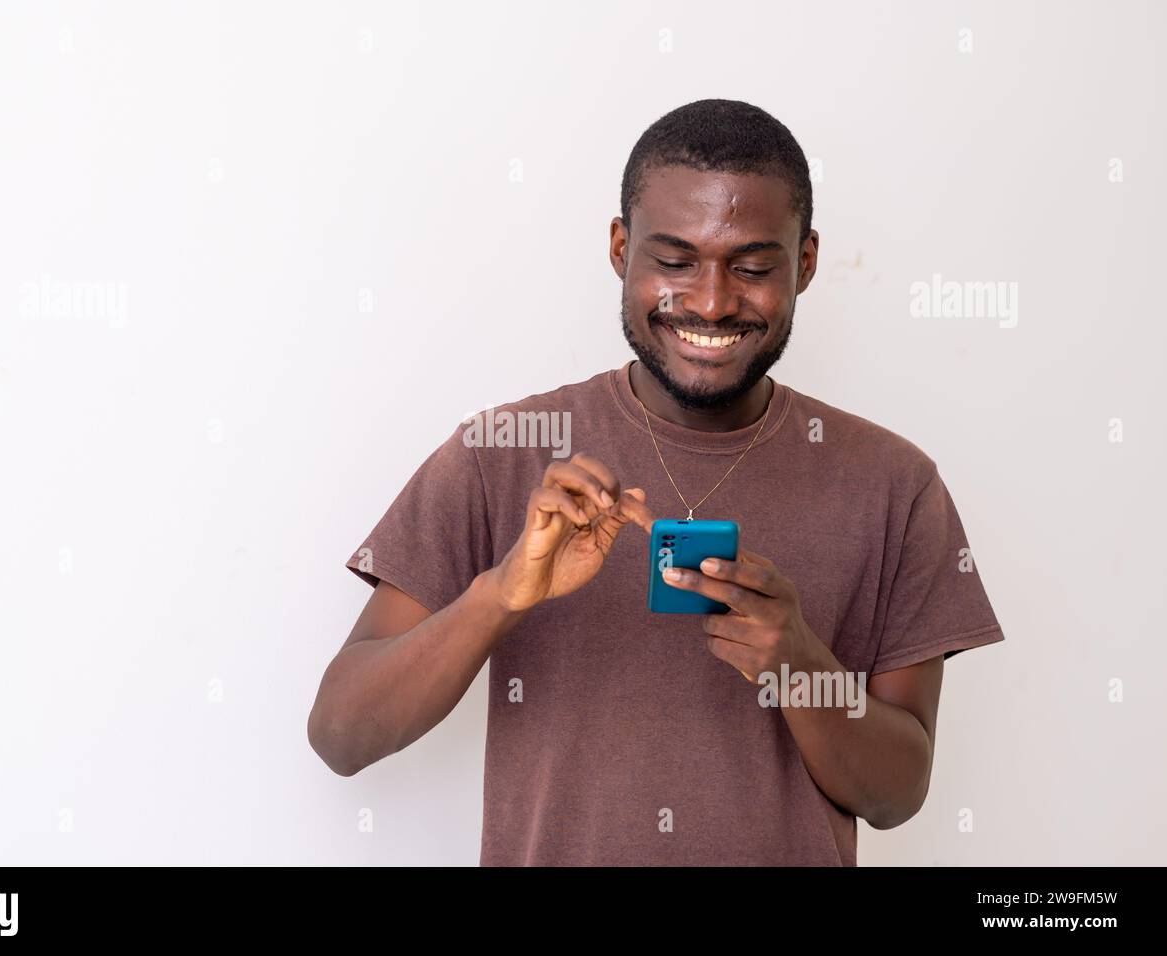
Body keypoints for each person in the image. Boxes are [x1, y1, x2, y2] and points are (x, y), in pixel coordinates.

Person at [309, 99, 1005, 866]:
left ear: (805, 263)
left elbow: (897, 795)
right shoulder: (499, 452)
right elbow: (341, 734)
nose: (709, 301)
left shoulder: (894, 485)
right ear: (620, 248)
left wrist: (800, 665)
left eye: (752, 267)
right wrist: (501, 595)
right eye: (674, 261)